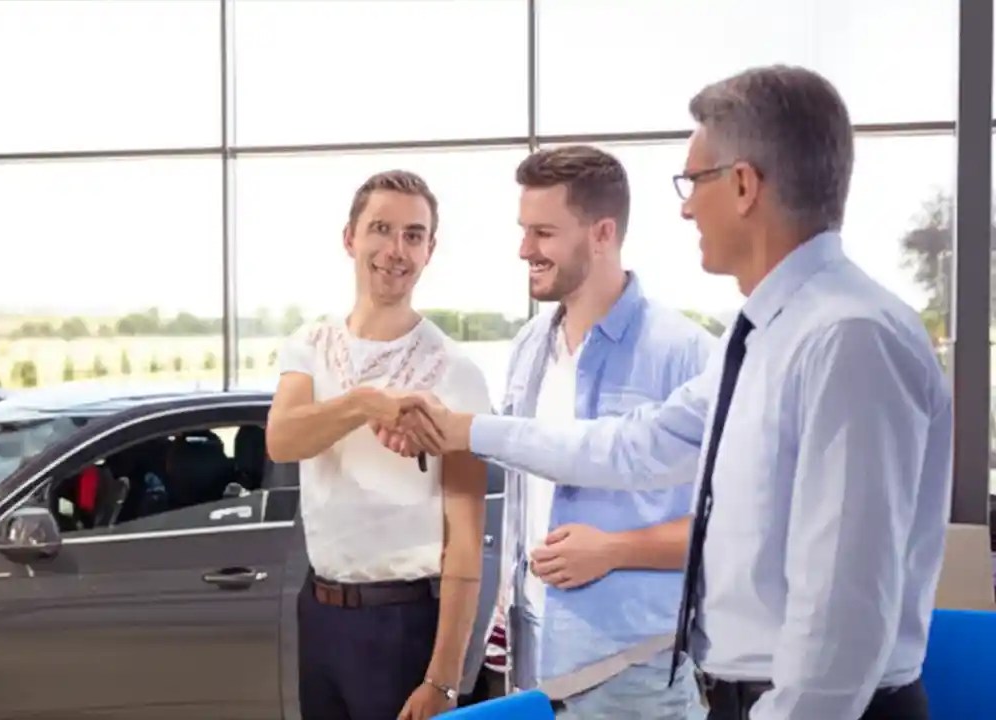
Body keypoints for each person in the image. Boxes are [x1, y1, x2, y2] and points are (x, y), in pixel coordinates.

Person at [387, 65, 950, 720]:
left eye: (694, 181)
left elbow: (843, 623)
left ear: (743, 185)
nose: (684, 206)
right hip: (739, 695)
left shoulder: (847, 339)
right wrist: (467, 431)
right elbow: (634, 447)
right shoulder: (765, 333)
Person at [457, 145, 715, 718]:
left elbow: (731, 526)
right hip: (533, 665)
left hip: (637, 680)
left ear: (602, 234)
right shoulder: (529, 347)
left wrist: (617, 550)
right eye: (524, 230)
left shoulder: (687, 354)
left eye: (543, 232)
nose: (525, 249)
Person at [265, 169, 494, 720]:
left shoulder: (455, 372)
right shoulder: (309, 346)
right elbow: (282, 439)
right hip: (317, 613)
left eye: (413, 235)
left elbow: (464, 544)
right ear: (350, 238)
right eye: (381, 229)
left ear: (429, 250)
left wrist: (442, 680)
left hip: (401, 626)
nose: (396, 250)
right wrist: (366, 404)